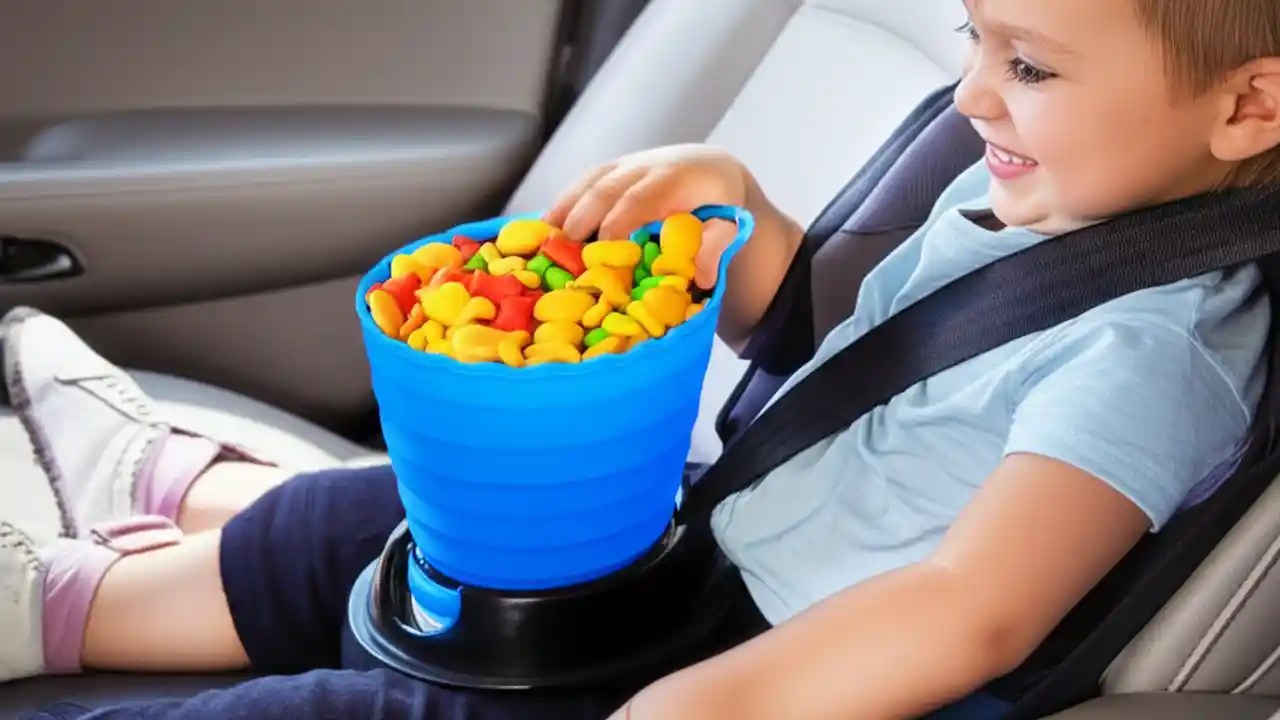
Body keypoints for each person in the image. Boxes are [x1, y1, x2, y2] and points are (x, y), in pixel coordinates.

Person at [5, 0, 1280, 717]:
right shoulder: (1034, 197)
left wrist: (701, 708)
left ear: (1247, 108)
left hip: (764, 659)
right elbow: (848, 363)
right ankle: (64, 600)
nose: (968, 95)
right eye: (969, 36)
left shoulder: (1152, 355)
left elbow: (971, 609)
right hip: (706, 550)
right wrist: (742, 219)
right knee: (352, 525)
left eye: (1028, 66)